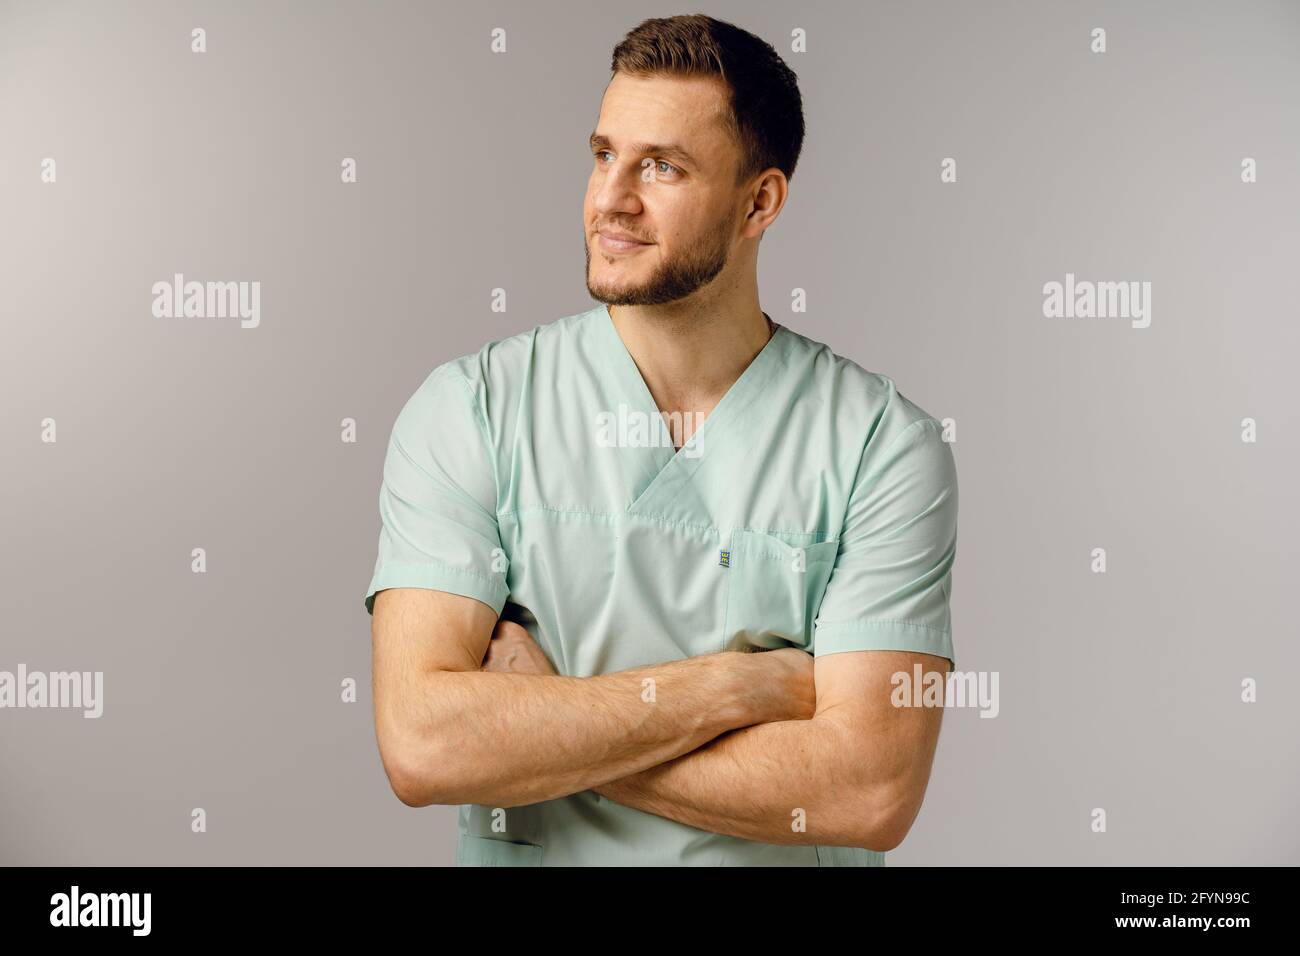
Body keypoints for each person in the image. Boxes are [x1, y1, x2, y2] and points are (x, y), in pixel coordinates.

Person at [364, 14, 958, 866]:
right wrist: (729, 687)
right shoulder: (471, 410)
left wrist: (554, 718)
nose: (612, 198)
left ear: (761, 202)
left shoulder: (882, 448)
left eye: (663, 167)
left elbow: (867, 789)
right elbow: (424, 747)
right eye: (605, 154)